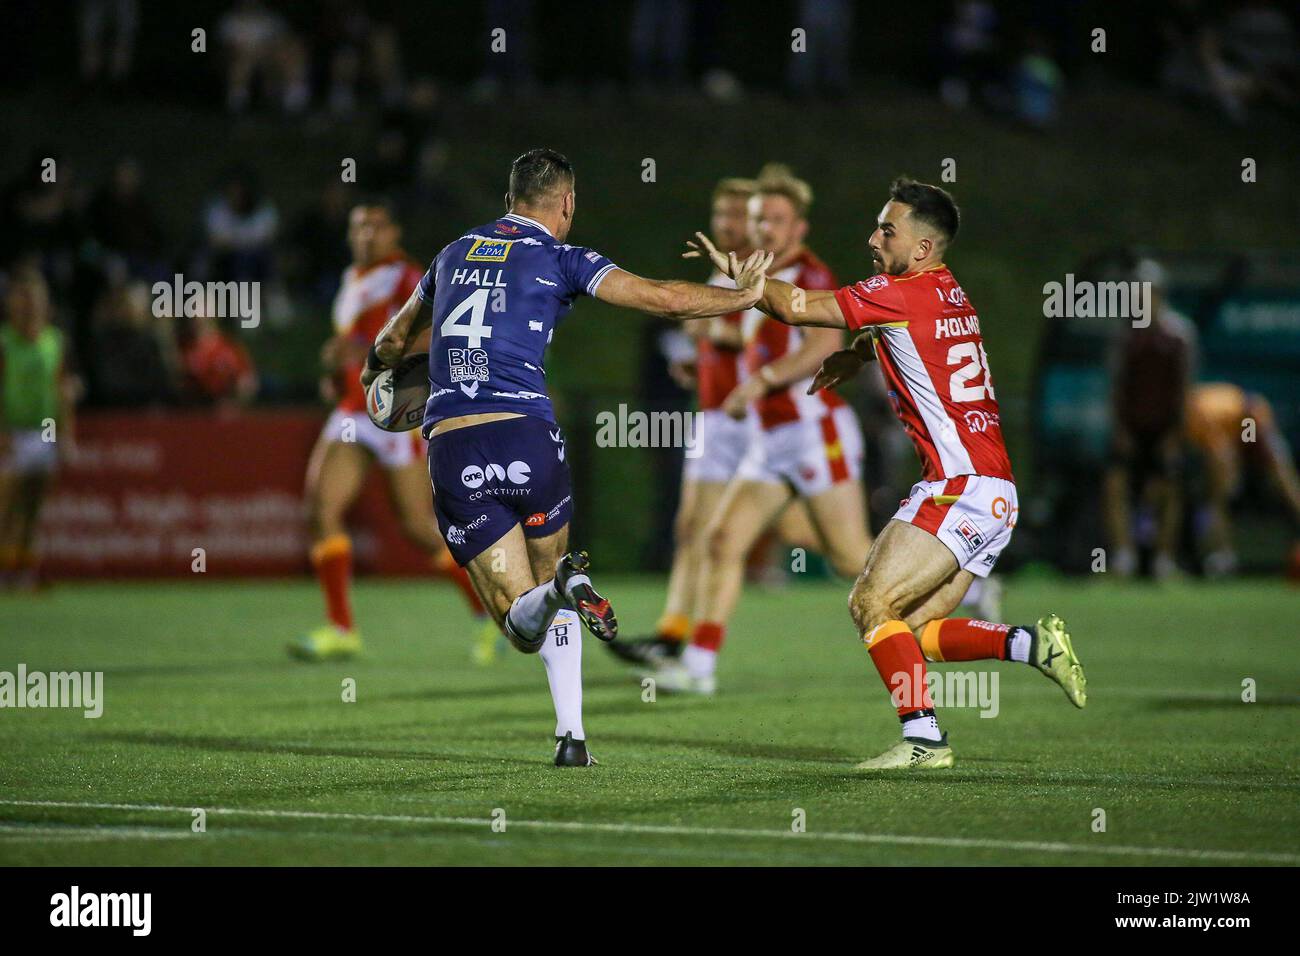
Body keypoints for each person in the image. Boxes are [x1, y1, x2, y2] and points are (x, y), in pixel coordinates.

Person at [363, 148, 772, 765]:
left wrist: (376, 377)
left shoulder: (450, 254)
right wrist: (743, 298)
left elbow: (394, 340)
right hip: (529, 434)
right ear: (568, 203)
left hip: (455, 439)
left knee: (515, 616)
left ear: (509, 198)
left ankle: (566, 663)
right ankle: (571, 731)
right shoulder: (565, 257)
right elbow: (661, 298)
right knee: (548, 573)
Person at [687, 177, 1086, 769]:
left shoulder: (896, 293)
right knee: (914, 628)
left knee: (869, 602)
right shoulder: (947, 292)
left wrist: (744, 278)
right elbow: (910, 337)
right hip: (995, 490)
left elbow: (797, 308)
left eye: (887, 230)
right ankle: (1030, 644)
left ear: (922, 248)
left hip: (957, 487)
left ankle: (924, 741)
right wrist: (859, 352)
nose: (873, 238)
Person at [644, 165, 873, 694]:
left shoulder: (811, 276)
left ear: (798, 229)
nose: (765, 228)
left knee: (851, 558)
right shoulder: (753, 279)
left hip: (815, 428)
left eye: (777, 219)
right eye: (758, 218)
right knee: (723, 541)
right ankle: (699, 667)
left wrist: (762, 380)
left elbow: (820, 346)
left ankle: (960, 590)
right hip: (769, 439)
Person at [606, 174, 823, 672]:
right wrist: (698, 358)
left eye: (739, 215)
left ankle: (928, 568)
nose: (728, 224)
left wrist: (712, 328)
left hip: (755, 419)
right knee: (696, 530)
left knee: (804, 535)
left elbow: (771, 334)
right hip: (716, 416)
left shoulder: (764, 273)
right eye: (720, 214)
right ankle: (676, 637)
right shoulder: (726, 272)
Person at [290, 202, 489, 662]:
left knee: (418, 527)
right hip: (352, 408)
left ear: (394, 232)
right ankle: (342, 628)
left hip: (396, 410)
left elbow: (435, 332)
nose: (366, 235)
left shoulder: (406, 275)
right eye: (358, 226)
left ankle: (489, 610)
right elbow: (352, 345)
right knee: (321, 509)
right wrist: (336, 372)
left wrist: (360, 349)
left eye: (376, 227)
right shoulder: (350, 279)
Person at [1103, 259, 1198, 579]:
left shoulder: (1179, 335)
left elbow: (1184, 390)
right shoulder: (1125, 335)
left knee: (1168, 489)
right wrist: (1120, 430)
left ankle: (1163, 559)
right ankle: (1124, 556)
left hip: (1164, 428)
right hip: (1131, 428)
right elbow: (1117, 386)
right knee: (1115, 486)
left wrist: (1175, 434)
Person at [0, 269, 75, 589]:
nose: (30, 305)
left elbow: (61, 390)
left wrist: (66, 434)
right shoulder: (4, 341)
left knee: (33, 508)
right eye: (24, 297)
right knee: (7, 508)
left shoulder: (54, 340)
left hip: (43, 431)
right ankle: (4, 573)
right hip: (12, 431)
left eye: (36, 298)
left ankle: (24, 573)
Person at [1186, 381, 1300, 576]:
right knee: (1221, 493)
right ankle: (1223, 554)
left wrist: (1233, 479)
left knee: (1280, 479)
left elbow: (1227, 451)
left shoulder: (1198, 417)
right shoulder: (1191, 420)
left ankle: (1224, 554)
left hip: (1249, 418)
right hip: (1240, 425)